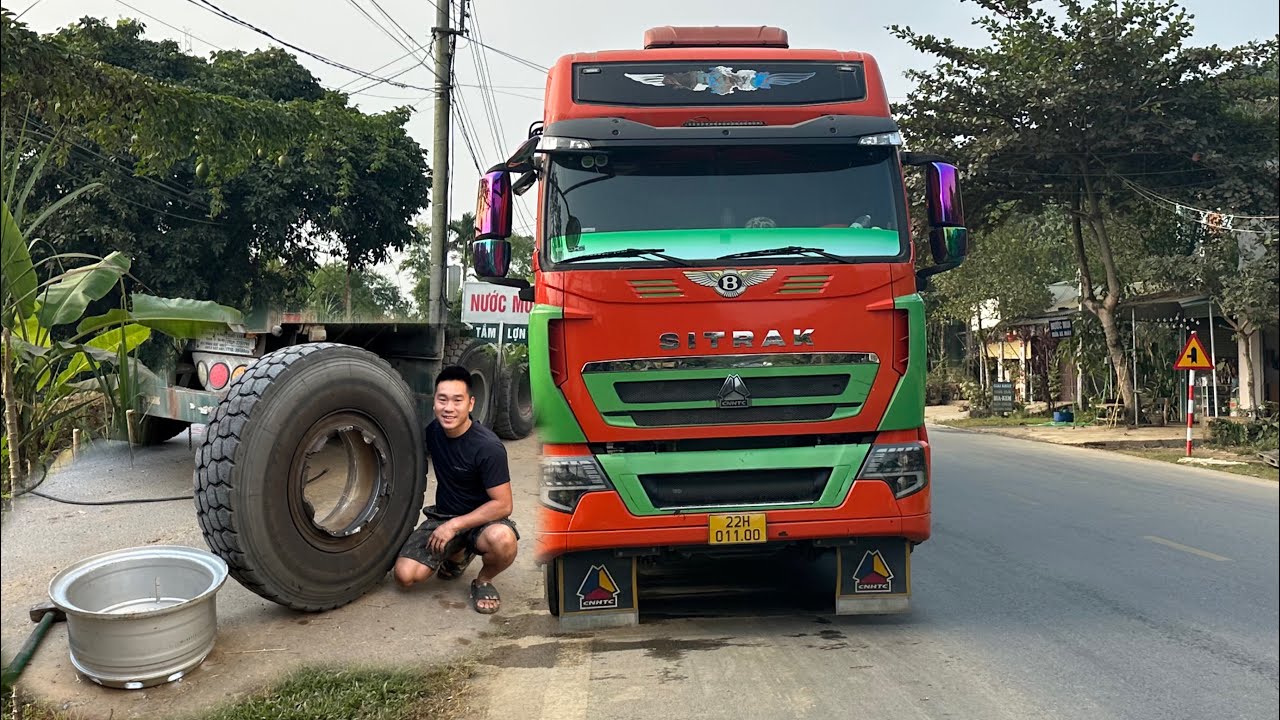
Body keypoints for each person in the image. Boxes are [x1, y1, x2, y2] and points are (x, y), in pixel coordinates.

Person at [394, 365, 519, 614]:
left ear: (470, 404)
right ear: (434, 403)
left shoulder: (488, 447)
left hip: (482, 522)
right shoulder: (433, 433)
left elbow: (503, 504)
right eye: (442, 400)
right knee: (405, 576)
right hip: (444, 515)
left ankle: (483, 580)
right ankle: (458, 554)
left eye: (457, 400)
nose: (448, 408)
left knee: (503, 540)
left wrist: (454, 526)